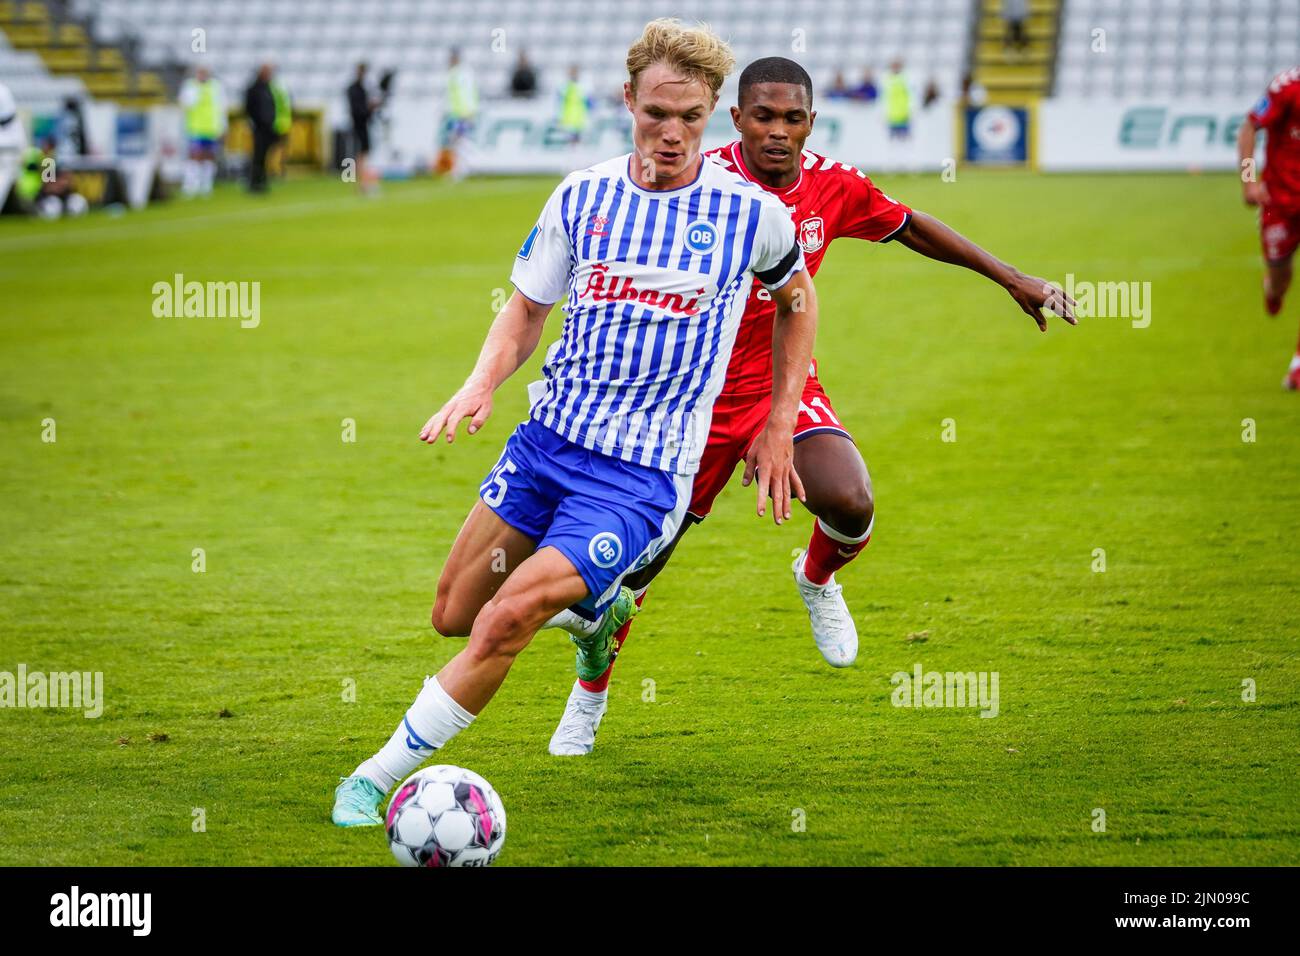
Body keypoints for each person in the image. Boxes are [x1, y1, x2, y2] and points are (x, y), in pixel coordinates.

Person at [331, 19, 818, 827]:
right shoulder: (583, 196)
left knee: (505, 619)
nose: (672, 134)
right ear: (627, 99)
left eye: (691, 118)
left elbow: (797, 301)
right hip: (548, 445)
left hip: (640, 479)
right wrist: (479, 383)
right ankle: (598, 615)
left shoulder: (749, 215)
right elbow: (525, 309)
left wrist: (777, 420)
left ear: (711, 115)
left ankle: (375, 779)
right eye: (657, 113)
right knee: (453, 613)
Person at [546, 56, 1077, 757]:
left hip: (780, 390)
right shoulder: (695, 184)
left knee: (850, 500)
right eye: (762, 116)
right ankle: (589, 696)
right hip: (685, 405)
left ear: (810, 124)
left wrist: (1011, 278)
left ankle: (816, 577)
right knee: (631, 578)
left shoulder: (831, 185)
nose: (777, 131)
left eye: (792, 118)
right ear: (735, 120)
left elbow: (910, 224)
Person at [1240, 66, 1300, 389]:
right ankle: (1272, 289)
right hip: (1280, 203)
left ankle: (1298, 366)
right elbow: (1249, 128)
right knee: (1280, 280)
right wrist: (1249, 181)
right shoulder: (1286, 88)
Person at [178, 65, 226, 197]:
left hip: (211, 128)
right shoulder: (190, 86)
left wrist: (222, 126)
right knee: (194, 155)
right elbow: (185, 104)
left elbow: (221, 107)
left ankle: (206, 184)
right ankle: (191, 184)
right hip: (195, 127)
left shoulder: (215, 86)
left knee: (209, 156)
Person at [438, 48, 479, 179]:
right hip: (458, 113)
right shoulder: (461, 73)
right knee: (459, 141)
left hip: (461, 113)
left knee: (460, 141)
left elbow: (464, 94)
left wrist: (468, 111)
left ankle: (462, 169)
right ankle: (462, 168)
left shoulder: (457, 74)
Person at [243, 64, 276, 193]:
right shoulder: (254, 89)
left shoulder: (268, 88)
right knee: (257, 156)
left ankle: (261, 181)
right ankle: (254, 182)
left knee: (264, 156)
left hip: (268, 128)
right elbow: (249, 107)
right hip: (258, 128)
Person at [347, 63, 377, 192]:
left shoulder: (362, 88)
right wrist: (369, 108)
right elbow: (358, 110)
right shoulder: (354, 89)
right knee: (360, 155)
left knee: (362, 155)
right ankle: (361, 184)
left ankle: (362, 183)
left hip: (362, 125)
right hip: (358, 125)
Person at [556, 64, 591, 144]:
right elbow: (559, 104)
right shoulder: (564, 87)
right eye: (571, 72)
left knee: (578, 146)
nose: (573, 74)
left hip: (580, 121)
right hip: (568, 121)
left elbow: (588, 103)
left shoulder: (584, 87)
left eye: (575, 72)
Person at [883, 58, 910, 139]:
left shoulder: (906, 79)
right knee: (892, 142)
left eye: (897, 66)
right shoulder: (887, 79)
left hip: (903, 114)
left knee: (904, 141)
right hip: (891, 115)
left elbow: (910, 96)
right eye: (894, 66)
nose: (895, 68)